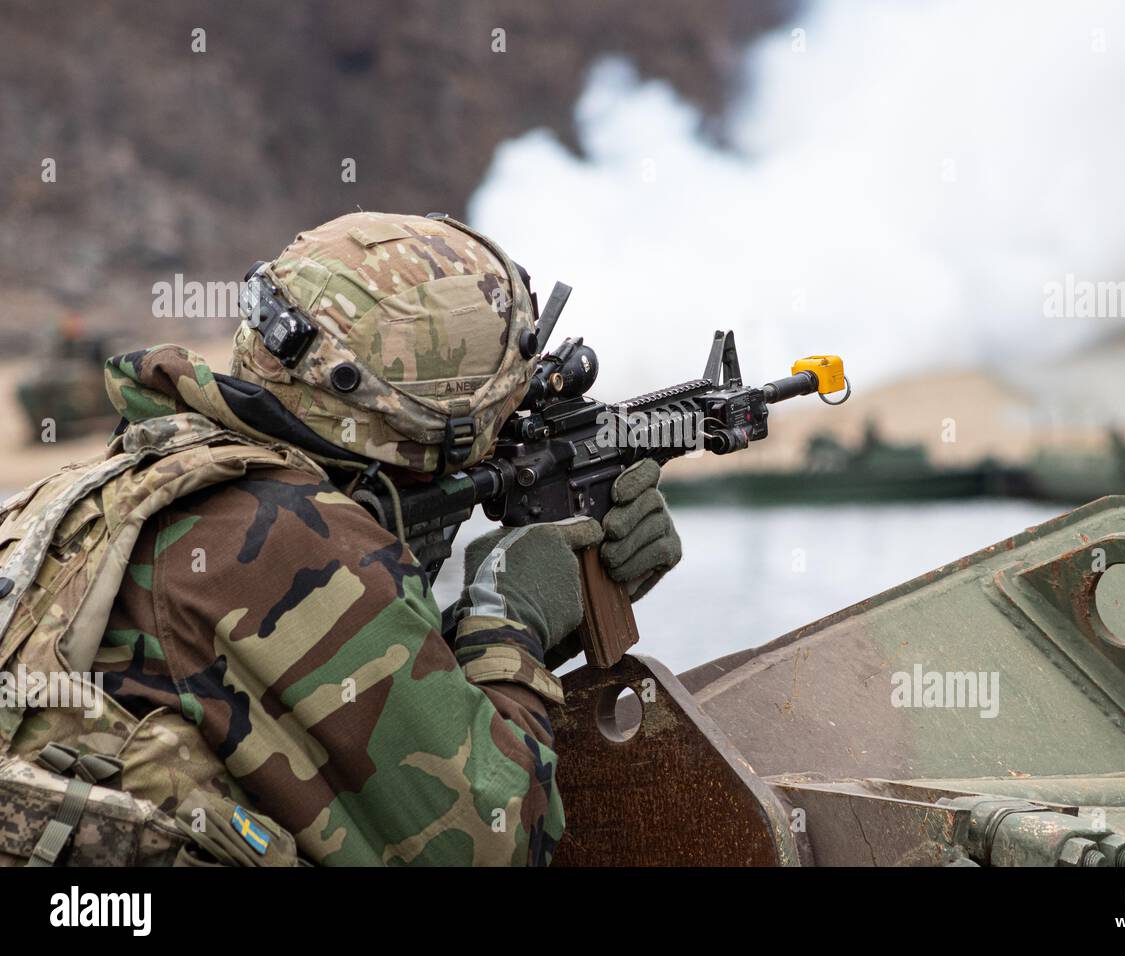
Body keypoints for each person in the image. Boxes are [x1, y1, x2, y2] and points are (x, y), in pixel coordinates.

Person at [0, 211, 681, 866]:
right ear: (425, 425)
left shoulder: (132, 480)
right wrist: (511, 621)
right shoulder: (286, 535)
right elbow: (494, 842)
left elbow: (312, 714)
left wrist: (535, 623)